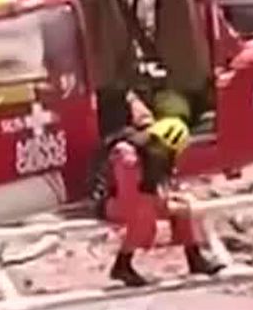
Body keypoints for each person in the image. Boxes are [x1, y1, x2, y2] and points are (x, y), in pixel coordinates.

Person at [88, 115, 224, 288]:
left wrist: (172, 203)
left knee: (182, 205)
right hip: (109, 203)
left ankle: (194, 258)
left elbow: (153, 192)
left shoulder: (154, 159)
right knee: (144, 214)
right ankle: (122, 264)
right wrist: (161, 205)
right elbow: (131, 198)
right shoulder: (126, 156)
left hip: (136, 201)